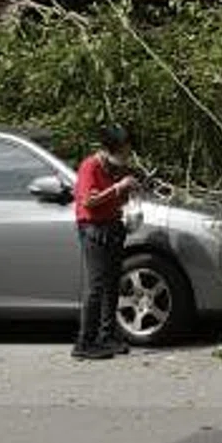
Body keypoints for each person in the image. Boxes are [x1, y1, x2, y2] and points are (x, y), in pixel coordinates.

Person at [72, 123, 139, 359]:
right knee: (96, 287)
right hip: (93, 229)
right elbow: (89, 202)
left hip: (113, 226)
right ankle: (84, 343)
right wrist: (118, 187)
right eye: (124, 149)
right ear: (112, 147)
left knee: (112, 284)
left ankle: (106, 337)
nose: (127, 154)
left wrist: (127, 194)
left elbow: (114, 200)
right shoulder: (89, 166)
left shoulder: (114, 167)